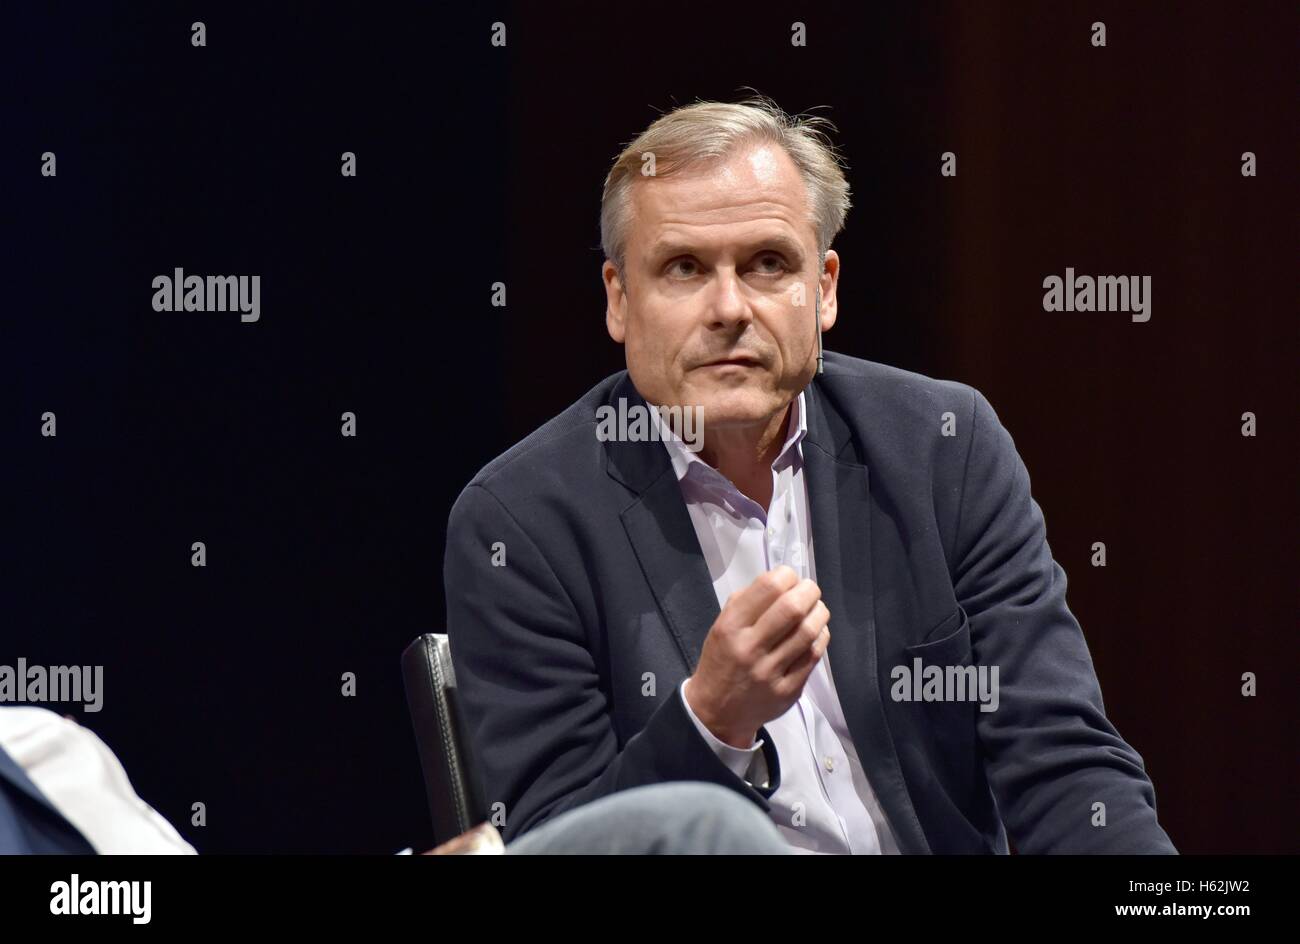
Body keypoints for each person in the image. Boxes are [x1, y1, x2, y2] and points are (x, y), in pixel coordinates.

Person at [443, 95, 1176, 854]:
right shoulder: (521, 522)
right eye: (684, 268)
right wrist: (711, 719)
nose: (729, 308)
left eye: (767, 264)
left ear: (823, 288)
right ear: (620, 300)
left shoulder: (941, 449)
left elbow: (1063, 759)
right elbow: (556, 842)